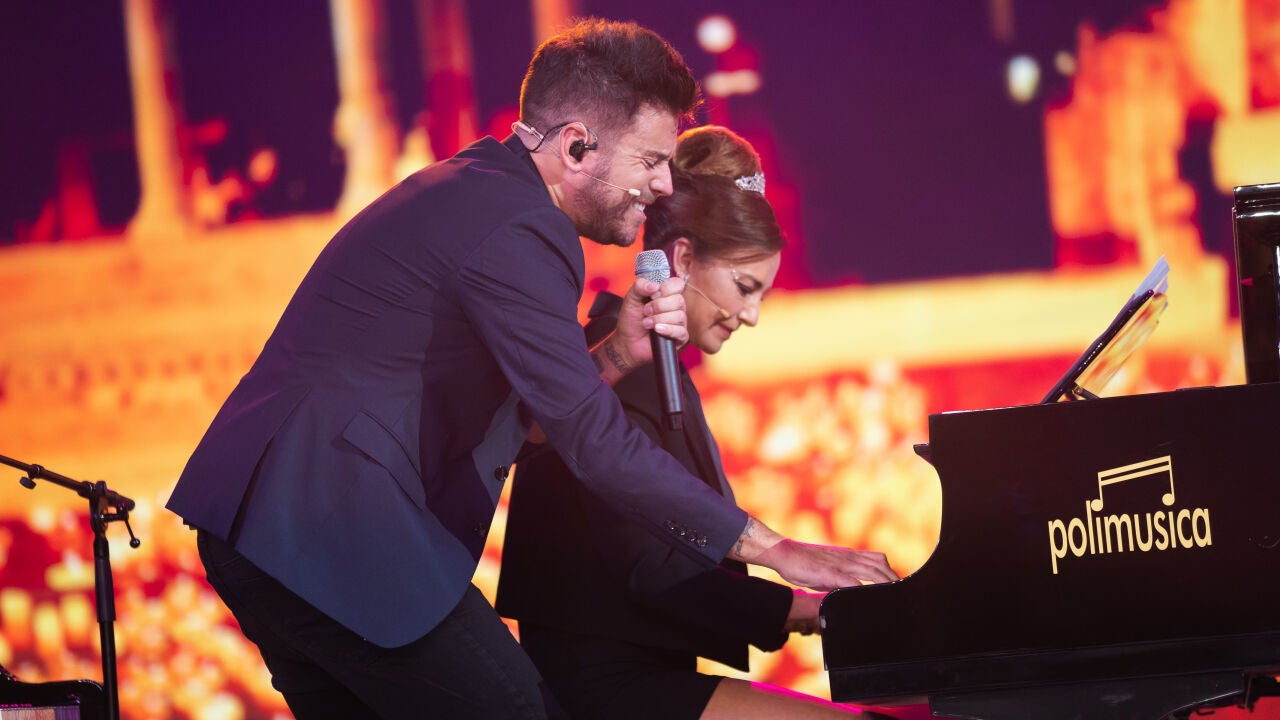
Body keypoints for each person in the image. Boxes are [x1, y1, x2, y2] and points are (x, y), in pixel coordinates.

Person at [167, 18, 896, 719]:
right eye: (649, 162)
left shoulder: (482, 193)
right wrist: (777, 550)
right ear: (577, 147)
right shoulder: (524, 228)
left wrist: (615, 354)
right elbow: (594, 444)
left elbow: (535, 424)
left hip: (263, 530)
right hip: (330, 521)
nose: (664, 188)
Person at [497, 125, 899, 719]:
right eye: (743, 287)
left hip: (639, 679)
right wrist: (805, 606)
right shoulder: (621, 372)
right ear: (683, 257)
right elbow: (649, 570)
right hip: (603, 695)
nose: (752, 315)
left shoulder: (657, 370)